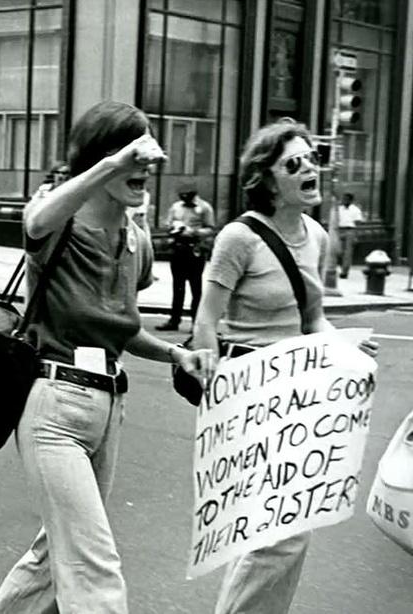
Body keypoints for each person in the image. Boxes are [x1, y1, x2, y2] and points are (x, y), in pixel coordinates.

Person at [0, 101, 212, 614]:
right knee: (94, 565)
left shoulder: (135, 238)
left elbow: (120, 330)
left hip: (109, 408)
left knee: (53, 557)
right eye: (133, 152)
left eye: (148, 152)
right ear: (101, 162)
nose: (145, 163)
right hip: (54, 407)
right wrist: (113, 162)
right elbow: (34, 222)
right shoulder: (59, 221)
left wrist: (176, 353)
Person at [192, 120, 379, 614]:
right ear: (268, 180)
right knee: (282, 533)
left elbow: (311, 316)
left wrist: (347, 350)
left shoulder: (315, 236)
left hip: (298, 392)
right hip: (247, 389)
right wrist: (209, 388)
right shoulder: (240, 238)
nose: (309, 169)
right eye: (293, 164)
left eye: (312, 158)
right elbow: (206, 321)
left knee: (276, 530)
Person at [156, 187, 215, 331]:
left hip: (194, 249)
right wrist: (174, 228)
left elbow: (210, 229)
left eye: (187, 196)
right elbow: (168, 224)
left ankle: (196, 322)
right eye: (182, 196)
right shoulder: (176, 207)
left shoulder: (204, 208)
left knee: (196, 287)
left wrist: (193, 232)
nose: (184, 199)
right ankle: (174, 320)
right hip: (178, 248)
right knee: (178, 286)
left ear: (194, 196)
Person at [337, 192, 364, 278]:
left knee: (347, 253)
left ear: (350, 200)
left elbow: (358, 223)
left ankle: (344, 272)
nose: (344, 201)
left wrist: (356, 235)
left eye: (346, 199)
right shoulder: (339, 209)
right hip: (339, 230)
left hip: (350, 230)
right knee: (339, 251)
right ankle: (341, 267)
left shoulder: (355, 210)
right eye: (343, 199)